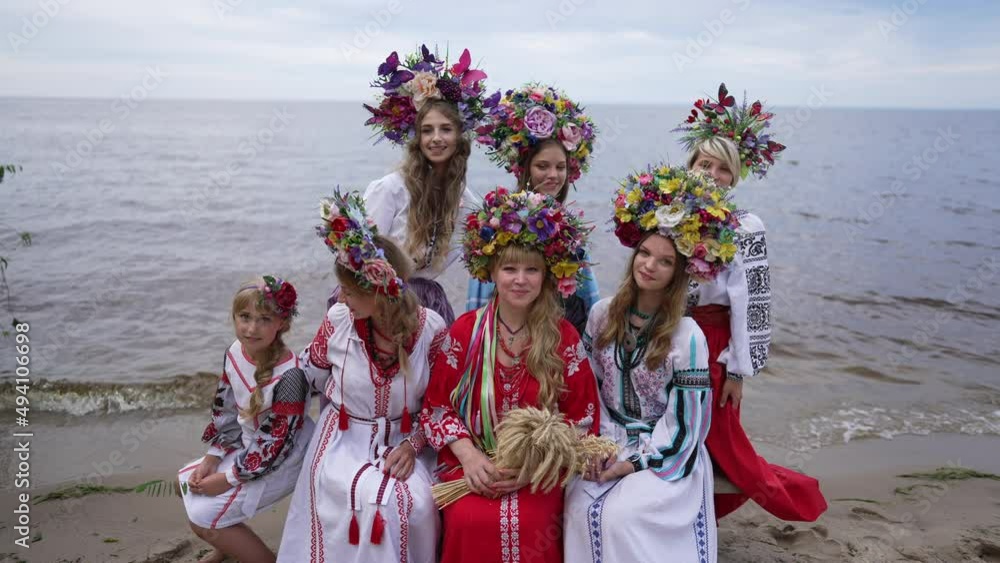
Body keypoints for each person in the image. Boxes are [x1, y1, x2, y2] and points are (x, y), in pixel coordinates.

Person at [564, 165, 741, 562]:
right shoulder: (602, 314)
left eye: (664, 261)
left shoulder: (687, 335)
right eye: (644, 253)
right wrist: (595, 446)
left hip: (666, 454)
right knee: (576, 506)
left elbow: (686, 429)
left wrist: (630, 464)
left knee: (622, 516)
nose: (649, 265)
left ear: (679, 272)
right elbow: (587, 392)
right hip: (607, 439)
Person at [421, 189, 599, 563]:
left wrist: (535, 465)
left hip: (539, 467)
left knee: (533, 523)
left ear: (547, 275)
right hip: (472, 464)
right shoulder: (465, 333)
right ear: (492, 272)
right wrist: (468, 456)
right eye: (509, 269)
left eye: (531, 269)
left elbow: (582, 418)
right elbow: (437, 407)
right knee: (469, 520)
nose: (520, 280)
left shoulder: (563, 336)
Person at [675, 83, 826, 521]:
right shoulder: (668, 214)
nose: (712, 174)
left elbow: (754, 301)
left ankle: (746, 500)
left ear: (735, 176)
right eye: (705, 163)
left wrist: (740, 369)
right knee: (675, 429)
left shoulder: (746, 225)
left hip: (717, 339)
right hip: (673, 336)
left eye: (723, 168)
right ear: (690, 166)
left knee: (718, 438)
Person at [278, 191, 446, 562]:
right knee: (355, 499)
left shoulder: (430, 330)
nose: (343, 297)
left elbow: (440, 403)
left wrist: (414, 445)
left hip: (404, 438)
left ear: (382, 292)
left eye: (352, 291)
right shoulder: (340, 320)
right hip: (341, 439)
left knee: (412, 505)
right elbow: (309, 370)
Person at [337, 44, 498, 325]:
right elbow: (358, 256)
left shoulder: (467, 202)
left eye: (446, 129)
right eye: (427, 130)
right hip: (376, 300)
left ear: (460, 136)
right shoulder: (391, 189)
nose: (436, 138)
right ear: (417, 138)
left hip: (428, 305)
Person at [178, 276, 313, 563]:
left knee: (203, 518)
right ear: (234, 317)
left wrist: (228, 479)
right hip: (248, 445)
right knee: (188, 485)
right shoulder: (234, 352)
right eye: (245, 317)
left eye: (264, 319)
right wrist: (213, 457)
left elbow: (275, 443)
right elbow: (225, 407)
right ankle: (228, 546)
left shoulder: (291, 376)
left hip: (284, 458)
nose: (252, 328)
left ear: (282, 324)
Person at [468, 84, 600, 332]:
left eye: (560, 167)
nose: (553, 175)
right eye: (543, 166)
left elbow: (589, 300)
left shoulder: (569, 227)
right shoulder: (500, 221)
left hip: (557, 340)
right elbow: (480, 298)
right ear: (525, 168)